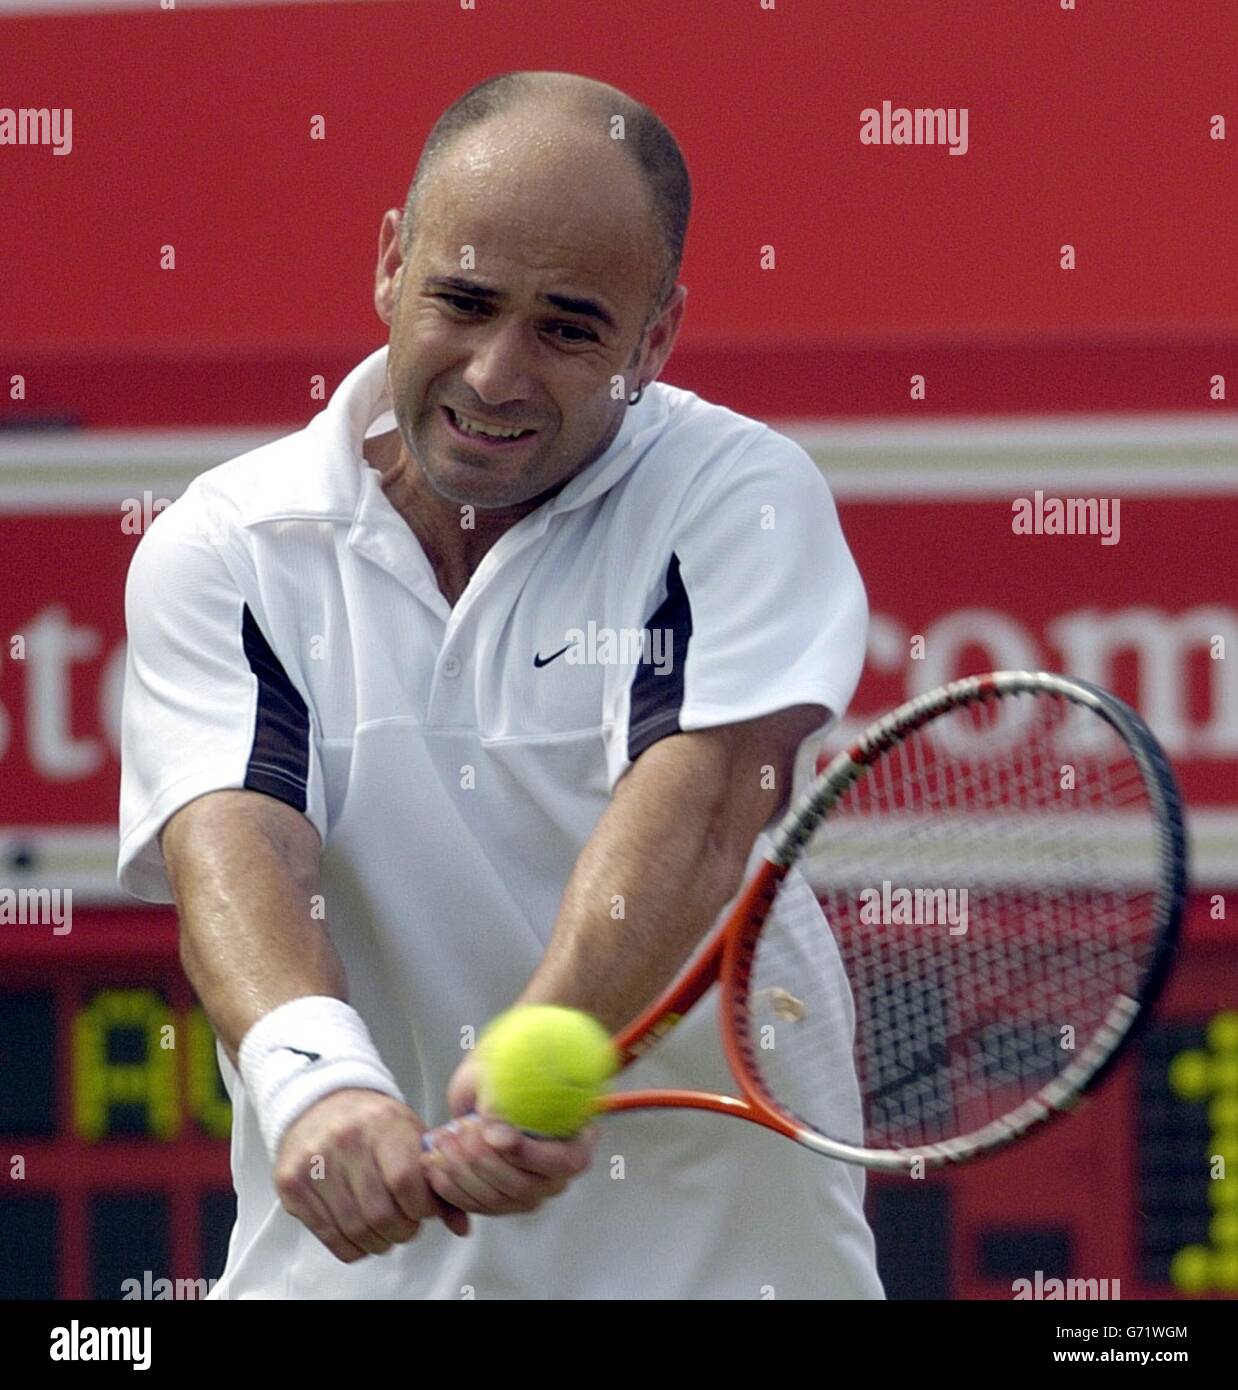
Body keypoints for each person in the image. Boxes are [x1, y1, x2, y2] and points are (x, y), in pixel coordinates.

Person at [118, 69, 882, 1299]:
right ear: (387, 265)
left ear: (655, 339)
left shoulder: (736, 497)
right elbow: (239, 845)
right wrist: (314, 1078)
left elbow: (698, 802)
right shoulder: (226, 544)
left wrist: (551, 1041)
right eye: (461, 302)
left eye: (567, 328)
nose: (491, 375)